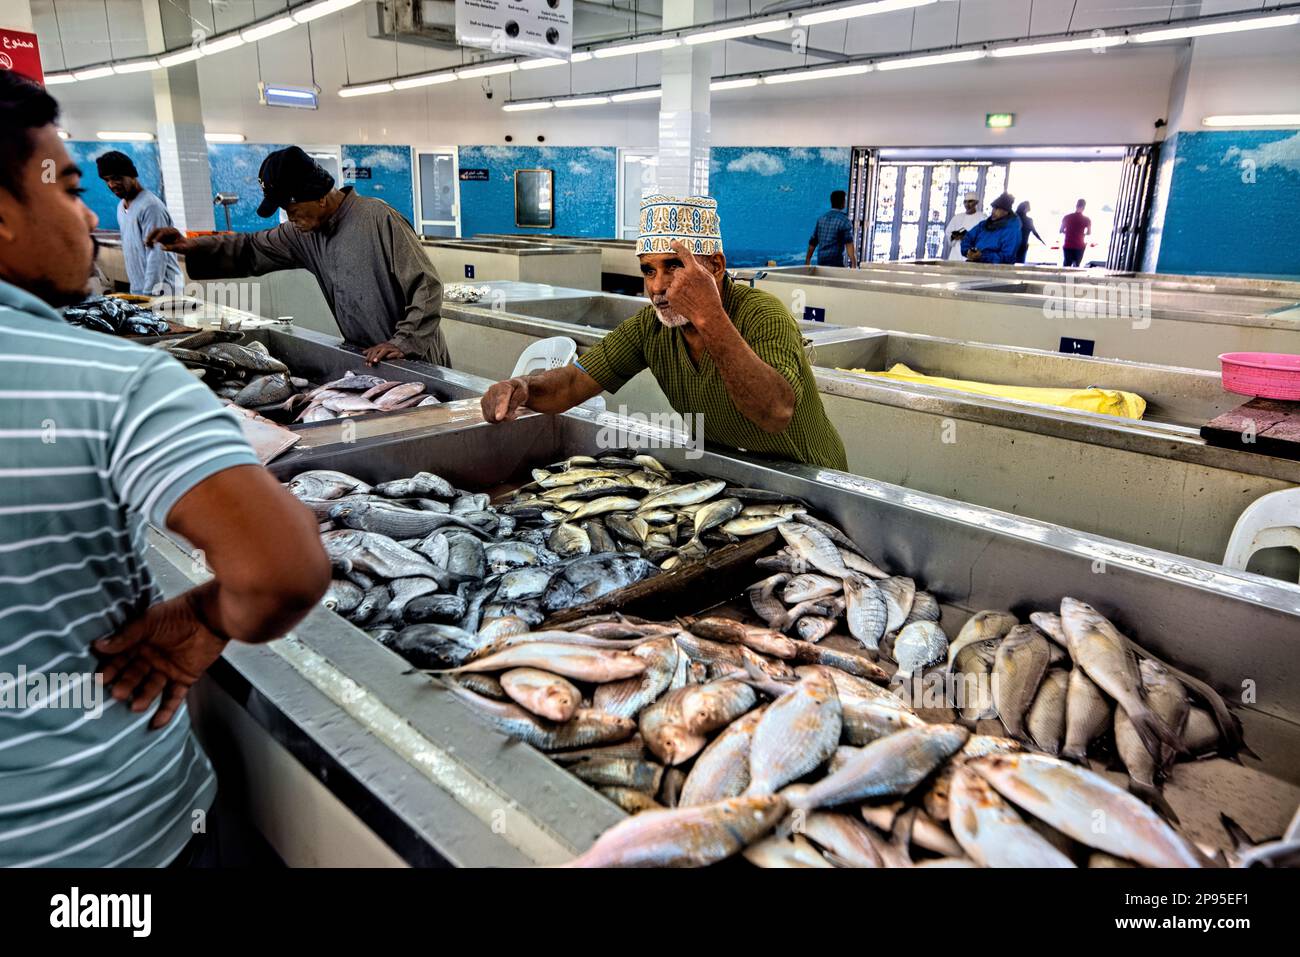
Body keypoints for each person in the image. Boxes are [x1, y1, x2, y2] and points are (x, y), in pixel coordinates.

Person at [0, 71, 330, 866]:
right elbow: (282, 568)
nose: (86, 216)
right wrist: (208, 618)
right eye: (66, 187)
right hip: (123, 835)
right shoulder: (107, 378)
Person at [481, 194, 848, 470]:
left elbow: (775, 412)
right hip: (735, 476)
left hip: (810, 478)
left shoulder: (762, 315)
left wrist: (710, 318)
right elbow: (573, 385)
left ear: (716, 266)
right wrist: (524, 389)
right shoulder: (651, 329)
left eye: (674, 267)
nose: (658, 287)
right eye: (648, 271)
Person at [147, 146, 450, 367]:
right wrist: (191, 246)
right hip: (371, 360)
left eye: (291, 209)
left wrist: (403, 341)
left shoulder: (378, 218)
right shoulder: (304, 234)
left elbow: (427, 285)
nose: (289, 217)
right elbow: (252, 248)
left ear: (319, 195)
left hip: (415, 357)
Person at [95, 150, 183, 296]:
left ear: (132, 175)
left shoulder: (150, 206)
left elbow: (157, 255)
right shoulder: (121, 208)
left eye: (117, 178)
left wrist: (148, 295)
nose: (112, 184)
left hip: (163, 291)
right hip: (140, 290)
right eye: (107, 180)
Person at [960, 192, 1022, 265]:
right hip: (975, 265)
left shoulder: (1012, 231)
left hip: (996, 271)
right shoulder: (983, 225)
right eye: (993, 208)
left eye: (997, 209)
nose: (993, 212)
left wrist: (982, 256)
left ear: (1006, 211)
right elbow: (968, 237)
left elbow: (1007, 257)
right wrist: (968, 251)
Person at [805, 189, 857, 268]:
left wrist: (808, 259)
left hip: (821, 262)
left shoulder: (821, 219)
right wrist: (853, 263)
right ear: (843, 202)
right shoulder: (845, 221)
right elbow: (849, 243)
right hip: (836, 263)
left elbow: (813, 242)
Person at [944, 192, 983, 261]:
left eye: (970, 201)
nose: (967, 204)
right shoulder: (957, 217)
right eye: (965, 202)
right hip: (956, 252)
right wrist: (955, 236)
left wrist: (967, 237)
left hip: (972, 253)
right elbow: (948, 233)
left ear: (976, 202)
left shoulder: (982, 217)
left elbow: (985, 236)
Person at [1060, 198, 1091, 267]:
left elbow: (1061, 230)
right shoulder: (1087, 219)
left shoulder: (1067, 217)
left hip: (1068, 244)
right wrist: (1081, 234)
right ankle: (1072, 278)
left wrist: (1068, 232)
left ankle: (1067, 278)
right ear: (1084, 207)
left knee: (1066, 266)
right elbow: (1089, 233)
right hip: (1079, 246)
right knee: (1076, 267)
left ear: (1076, 205)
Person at [1014, 200, 1045, 265]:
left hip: (1013, 244)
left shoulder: (1014, 218)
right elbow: (1034, 232)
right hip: (1023, 245)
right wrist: (1041, 240)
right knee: (1020, 264)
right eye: (1028, 206)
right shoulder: (1028, 220)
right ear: (1025, 209)